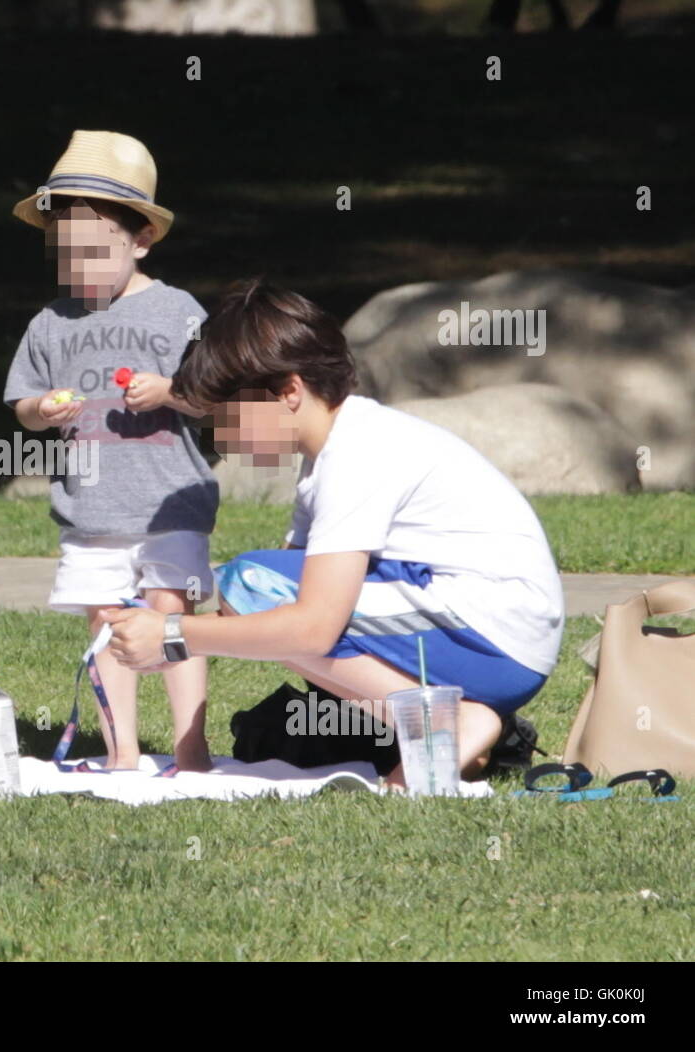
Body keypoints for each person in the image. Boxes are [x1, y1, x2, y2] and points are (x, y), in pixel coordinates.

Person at [102, 279, 565, 785]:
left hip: (495, 639)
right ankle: (434, 727)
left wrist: (174, 636)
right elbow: (281, 603)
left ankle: (444, 725)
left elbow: (310, 624)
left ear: (289, 392)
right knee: (253, 592)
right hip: (491, 638)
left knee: (249, 585)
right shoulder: (333, 454)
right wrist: (166, 626)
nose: (223, 439)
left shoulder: (358, 455)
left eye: (228, 419)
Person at [4, 130, 219, 772]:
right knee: (106, 626)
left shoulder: (178, 311)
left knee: (172, 617)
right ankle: (121, 748)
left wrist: (173, 391)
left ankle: (191, 745)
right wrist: (42, 411)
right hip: (92, 509)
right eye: (69, 255)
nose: (83, 268)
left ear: (141, 239)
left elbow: (214, 398)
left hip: (169, 502)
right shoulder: (51, 322)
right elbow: (22, 403)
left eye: (99, 252)